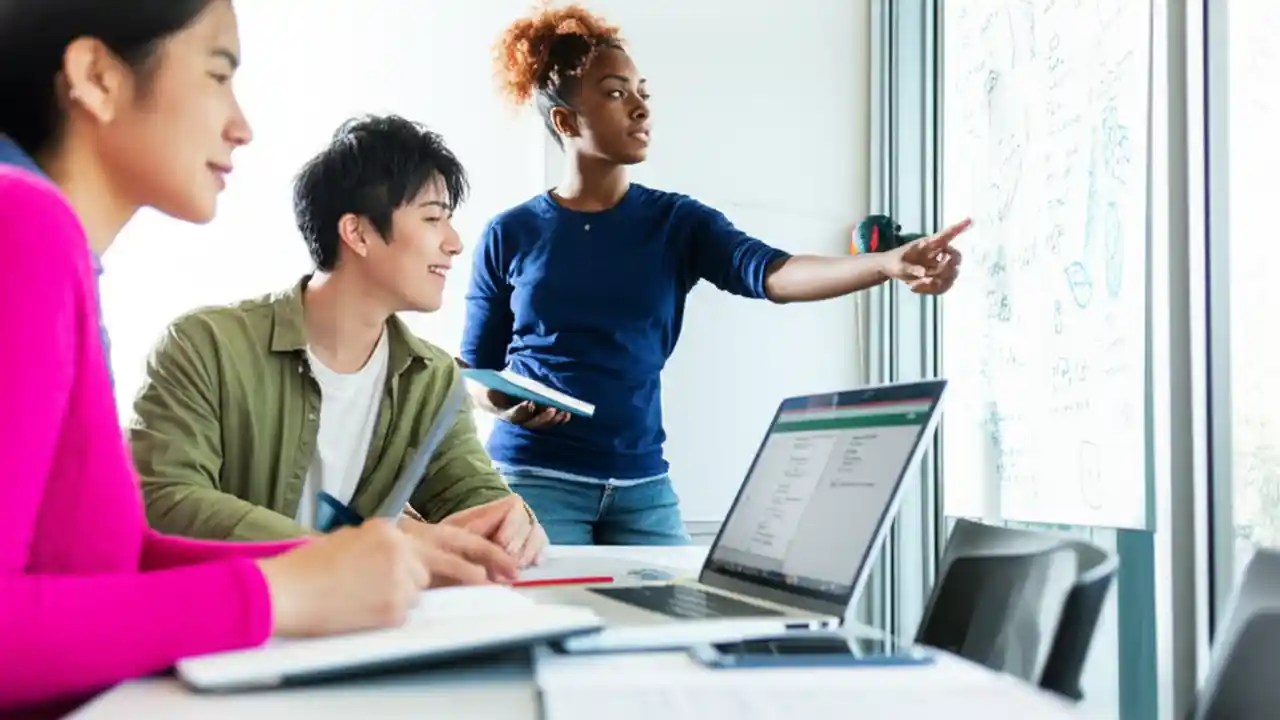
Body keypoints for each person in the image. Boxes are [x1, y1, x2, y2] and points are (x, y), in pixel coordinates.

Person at [0, 2, 514, 715]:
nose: (242, 125)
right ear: (96, 76)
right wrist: (286, 591)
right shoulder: (23, 227)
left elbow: (110, 561)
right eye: (218, 74)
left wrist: (338, 566)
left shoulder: (52, 251)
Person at [461, 4, 969, 546]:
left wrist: (884, 265)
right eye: (615, 93)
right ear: (566, 121)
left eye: (643, 93)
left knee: (670, 627)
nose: (640, 108)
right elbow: (476, 372)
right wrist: (505, 404)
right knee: (551, 629)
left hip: (643, 487)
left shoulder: (677, 222)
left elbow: (773, 273)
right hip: (537, 479)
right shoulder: (509, 233)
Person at [129, 114, 548, 567]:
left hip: (363, 629)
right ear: (358, 233)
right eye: (433, 219)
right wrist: (342, 554)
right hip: (233, 619)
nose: (454, 243)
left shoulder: (431, 379)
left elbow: (472, 496)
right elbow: (164, 500)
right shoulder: (204, 346)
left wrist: (513, 522)